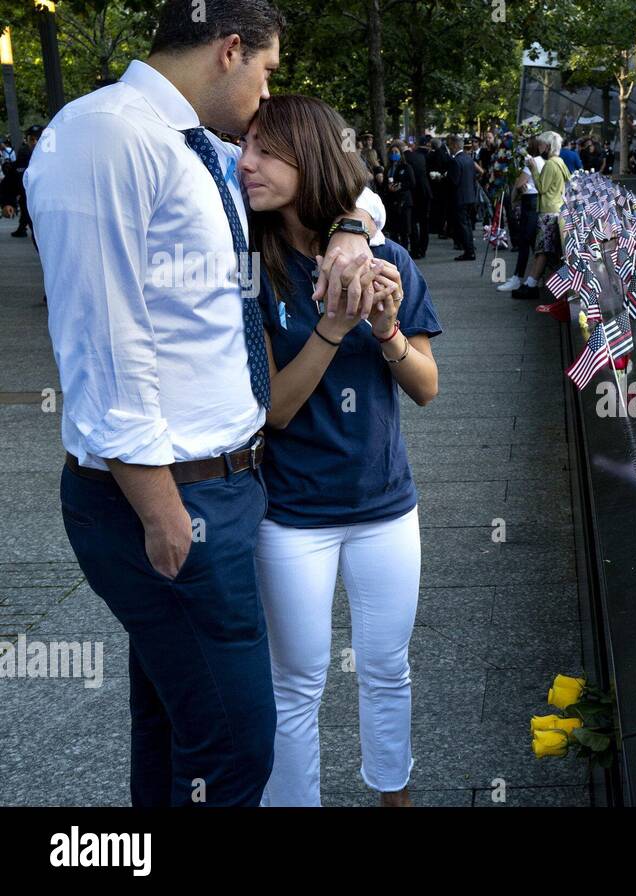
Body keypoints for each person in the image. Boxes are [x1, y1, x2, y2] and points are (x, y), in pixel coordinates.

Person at [26, 0, 386, 807]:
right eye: (266, 72)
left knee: (175, 728)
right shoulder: (108, 136)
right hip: (170, 493)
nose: (267, 93)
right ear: (230, 51)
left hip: (217, 486)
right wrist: (162, 514)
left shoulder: (197, 148)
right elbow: (101, 340)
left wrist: (348, 230)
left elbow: (335, 183)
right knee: (232, 754)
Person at [237, 94, 440, 808]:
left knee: (387, 667)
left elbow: (426, 386)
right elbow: (275, 411)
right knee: (296, 682)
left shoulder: (386, 259)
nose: (246, 163)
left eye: (264, 150)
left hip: (385, 505)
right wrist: (331, 326)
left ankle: (394, 795)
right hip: (291, 515)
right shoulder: (252, 269)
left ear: (311, 157)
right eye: (246, 147)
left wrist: (384, 329)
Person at [513, 130, 569, 301]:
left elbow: (541, 188)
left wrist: (533, 169)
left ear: (549, 146)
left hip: (547, 210)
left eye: (542, 144)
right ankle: (532, 283)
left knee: (542, 249)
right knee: (543, 250)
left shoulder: (551, 164)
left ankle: (531, 284)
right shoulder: (560, 162)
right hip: (556, 207)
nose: (540, 147)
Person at [498, 135, 542, 294]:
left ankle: (518, 277)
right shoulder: (543, 162)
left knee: (525, 240)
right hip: (536, 200)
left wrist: (515, 196)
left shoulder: (532, 163)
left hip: (530, 201)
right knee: (530, 241)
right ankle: (529, 277)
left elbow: (519, 184)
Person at [447, 134, 479, 260]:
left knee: (463, 225)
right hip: (469, 196)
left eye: (450, 145)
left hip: (459, 198)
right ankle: (470, 248)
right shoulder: (468, 158)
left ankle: (469, 251)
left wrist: (445, 178)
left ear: (455, 145)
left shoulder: (456, 161)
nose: (449, 148)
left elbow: (454, 181)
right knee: (467, 224)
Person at [382, 140, 415, 248]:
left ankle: (405, 249)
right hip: (392, 202)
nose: (394, 154)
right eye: (392, 152)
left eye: (396, 152)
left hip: (403, 201)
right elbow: (384, 184)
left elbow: (412, 183)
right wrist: (388, 188)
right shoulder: (388, 169)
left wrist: (400, 187)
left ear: (400, 154)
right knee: (393, 230)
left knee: (404, 230)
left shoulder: (406, 167)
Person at [404, 137, 432, 258]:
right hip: (425, 192)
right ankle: (423, 248)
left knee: (413, 222)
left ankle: (416, 249)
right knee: (424, 222)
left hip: (414, 193)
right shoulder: (420, 156)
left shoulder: (406, 158)